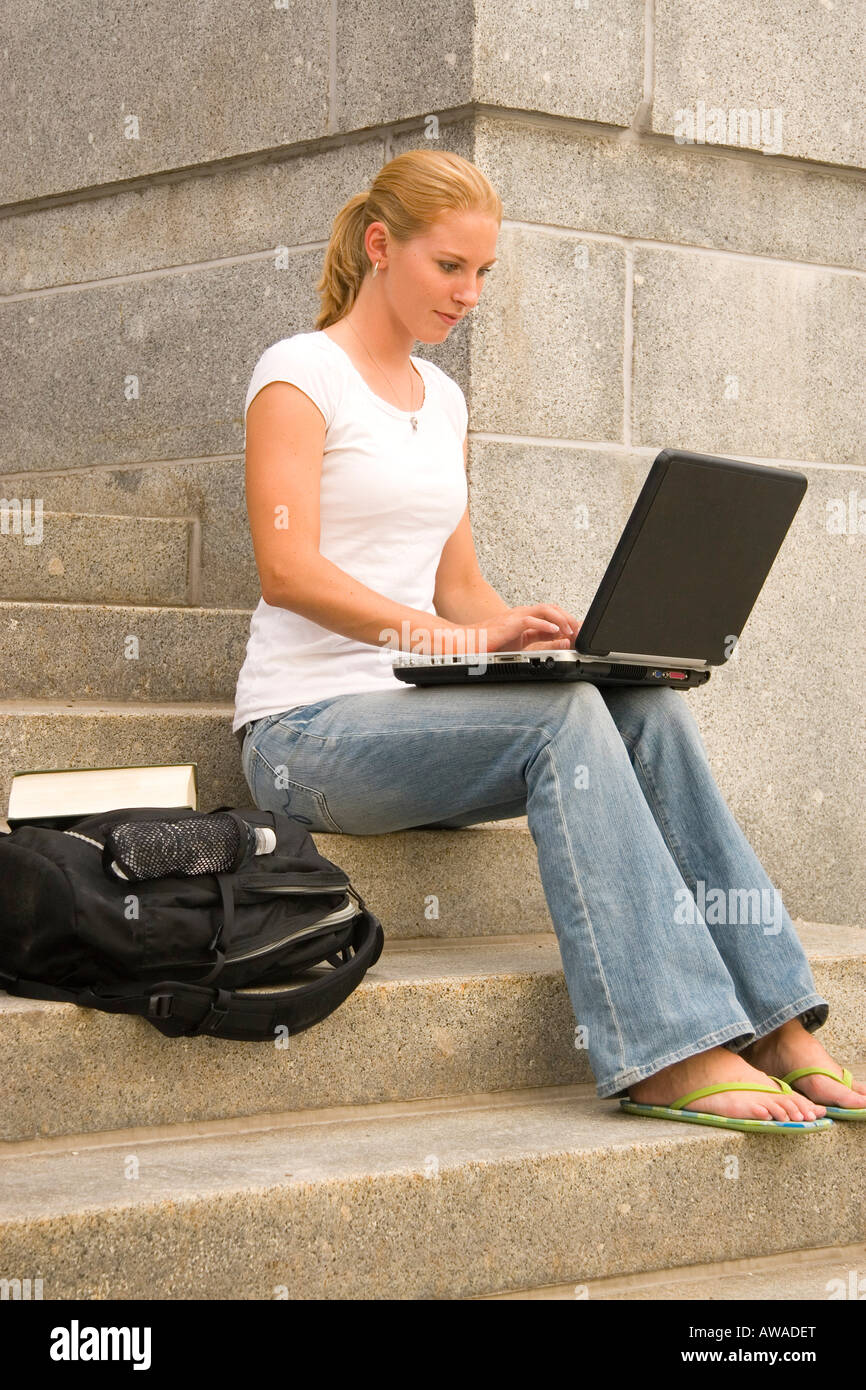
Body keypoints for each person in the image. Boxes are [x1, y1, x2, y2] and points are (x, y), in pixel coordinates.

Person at [233, 149, 865, 1132]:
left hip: (411, 717)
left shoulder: (441, 403)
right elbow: (291, 573)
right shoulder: (298, 372)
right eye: (451, 267)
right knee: (564, 717)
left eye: (483, 273)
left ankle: (774, 1020)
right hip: (303, 736)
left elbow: (457, 589)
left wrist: (518, 630)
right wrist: (445, 642)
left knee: (639, 700)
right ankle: (663, 1046)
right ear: (377, 246)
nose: (470, 293)